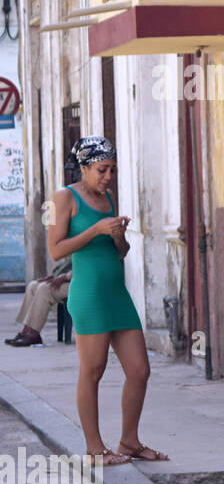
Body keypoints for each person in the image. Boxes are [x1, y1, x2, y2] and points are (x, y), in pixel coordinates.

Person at [46, 136, 162, 466]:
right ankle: (94, 449)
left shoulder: (107, 198)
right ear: (83, 168)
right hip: (89, 295)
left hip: (116, 294)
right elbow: (55, 250)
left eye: (112, 170)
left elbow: (120, 253)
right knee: (93, 370)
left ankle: (129, 441)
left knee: (140, 370)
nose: (108, 177)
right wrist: (96, 229)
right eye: (101, 170)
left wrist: (117, 235)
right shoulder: (63, 197)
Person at [6, 258, 72, 346]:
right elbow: (70, 263)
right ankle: (26, 330)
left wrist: (65, 277)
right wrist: (55, 276)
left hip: (81, 283)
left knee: (44, 288)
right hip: (70, 278)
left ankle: (33, 333)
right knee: (33, 285)